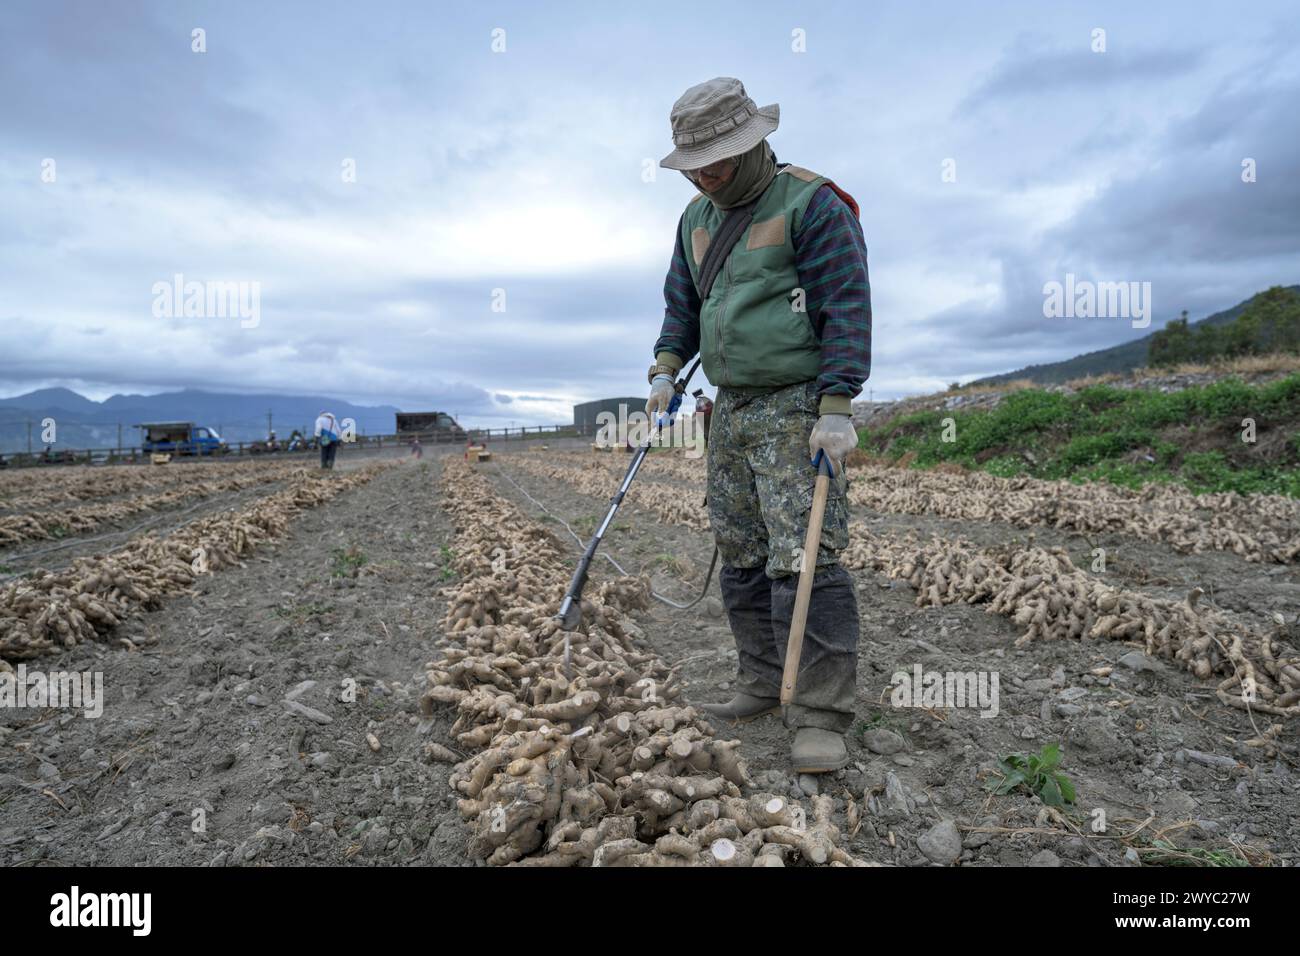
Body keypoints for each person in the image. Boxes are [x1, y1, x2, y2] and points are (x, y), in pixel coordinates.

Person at [646, 78, 872, 773]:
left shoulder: (812, 202)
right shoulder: (695, 220)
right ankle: (759, 680)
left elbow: (847, 306)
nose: (706, 176)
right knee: (740, 548)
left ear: (752, 145)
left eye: (716, 162)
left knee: (803, 555)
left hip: (797, 403)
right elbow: (681, 305)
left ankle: (821, 712)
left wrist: (836, 408)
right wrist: (663, 369)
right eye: (694, 167)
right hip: (731, 407)